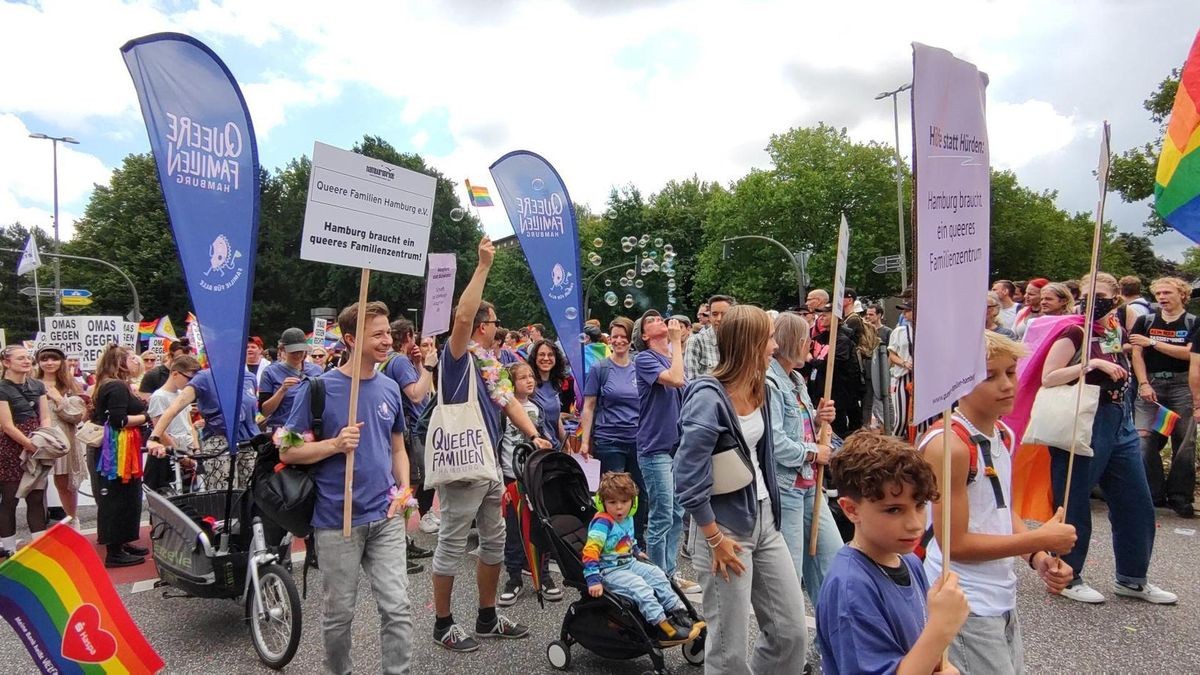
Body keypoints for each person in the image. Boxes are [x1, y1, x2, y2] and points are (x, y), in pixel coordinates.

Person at [920, 332, 1077, 674]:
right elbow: (953, 544)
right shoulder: (950, 444)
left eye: (1011, 371)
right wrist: (1041, 538)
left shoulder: (1003, 433)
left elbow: (1001, 508)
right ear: (958, 383)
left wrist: (1037, 557)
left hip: (1000, 598)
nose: (1007, 384)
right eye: (990, 376)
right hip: (963, 602)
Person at [277, 300, 414, 675]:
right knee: (339, 616)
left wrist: (404, 491)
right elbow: (288, 450)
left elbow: (398, 446)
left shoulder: (389, 387)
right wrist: (335, 445)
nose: (388, 340)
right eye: (379, 334)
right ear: (351, 339)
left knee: (398, 607)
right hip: (337, 521)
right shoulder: (318, 388)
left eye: (388, 333)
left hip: (385, 517)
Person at [675, 304, 808, 673]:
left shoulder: (760, 387)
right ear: (750, 343)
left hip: (766, 521)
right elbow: (685, 477)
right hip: (724, 529)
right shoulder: (707, 397)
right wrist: (714, 538)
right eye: (768, 337)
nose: (775, 344)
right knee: (728, 650)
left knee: (791, 633)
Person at [432, 236, 549, 653]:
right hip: (463, 465)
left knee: (495, 541)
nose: (498, 325)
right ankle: (443, 623)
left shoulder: (492, 364)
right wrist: (482, 266)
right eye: (494, 320)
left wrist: (535, 435)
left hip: (488, 464)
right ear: (484, 326)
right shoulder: (457, 355)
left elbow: (509, 401)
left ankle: (486, 617)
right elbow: (461, 318)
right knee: (449, 542)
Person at [1039, 272, 1176, 605]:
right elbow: (1049, 376)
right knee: (1073, 500)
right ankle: (1067, 573)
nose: (1091, 301)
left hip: (1119, 419)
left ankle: (1132, 577)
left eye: (1099, 294)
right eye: (1086, 294)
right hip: (1085, 418)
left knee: (1136, 501)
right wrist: (1089, 364)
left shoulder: (1115, 329)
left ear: (1116, 298)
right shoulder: (1074, 331)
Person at [817, 432, 969, 675]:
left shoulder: (910, 561)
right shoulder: (851, 588)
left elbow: (919, 650)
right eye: (894, 509)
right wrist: (941, 628)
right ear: (851, 509)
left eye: (919, 505)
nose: (915, 524)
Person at [767, 312, 841, 606]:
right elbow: (774, 443)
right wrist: (814, 452)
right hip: (787, 490)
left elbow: (804, 432)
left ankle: (829, 638)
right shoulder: (770, 382)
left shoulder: (796, 379)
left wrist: (821, 421)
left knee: (832, 559)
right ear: (794, 342)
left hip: (810, 484)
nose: (811, 344)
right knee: (790, 572)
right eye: (807, 339)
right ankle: (784, 642)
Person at [584, 471, 702, 644]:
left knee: (658, 575)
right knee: (640, 588)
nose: (619, 507)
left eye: (624, 502)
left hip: (629, 563)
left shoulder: (627, 517)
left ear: (633, 502)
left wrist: (637, 551)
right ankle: (662, 625)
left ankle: (678, 613)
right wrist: (593, 579)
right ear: (602, 503)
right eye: (612, 502)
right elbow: (590, 552)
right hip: (610, 571)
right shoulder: (602, 523)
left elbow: (628, 539)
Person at [635, 309, 698, 593]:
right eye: (651, 321)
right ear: (645, 336)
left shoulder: (672, 356)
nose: (659, 320)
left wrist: (677, 345)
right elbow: (674, 379)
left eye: (660, 317)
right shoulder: (645, 359)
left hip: (676, 448)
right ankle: (659, 579)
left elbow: (683, 382)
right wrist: (676, 342)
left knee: (676, 513)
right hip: (655, 448)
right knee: (662, 515)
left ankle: (670, 574)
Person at [1130, 277, 1197, 518]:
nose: (1162, 297)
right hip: (1151, 382)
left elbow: (1189, 354)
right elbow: (1137, 353)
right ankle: (1153, 491)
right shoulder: (1145, 320)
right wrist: (1144, 383)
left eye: (1167, 292)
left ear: (1182, 294)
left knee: (1184, 443)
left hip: (1182, 384)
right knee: (1143, 439)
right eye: (1158, 293)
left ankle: (1180, 496)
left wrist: (1153, 342)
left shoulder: (1192, 322)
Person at [579, 317, 646, 544]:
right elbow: (588, 406)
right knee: (613, 494)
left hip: (638, 439)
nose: (618, 341)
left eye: (623, 337)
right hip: (609, 439)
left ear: (630, 340)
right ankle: (610, 541)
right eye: (614, 336)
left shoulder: (639, 366)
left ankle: (636, 541)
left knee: (638, 494)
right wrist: (585, 441)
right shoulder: (600, 368)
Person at [496, 361, 556, 606]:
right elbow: (497, 443)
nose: (529, 381)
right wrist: (500, 481)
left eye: (531, 376)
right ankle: (513, 578)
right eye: (522, 378)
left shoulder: (538, 407)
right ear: (511, 383)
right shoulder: (501, 409)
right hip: (511, 477)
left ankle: (543, 575)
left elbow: (546, 435)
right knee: (513, 530)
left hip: (534, 477)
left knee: (540, 527)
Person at [88, 345, 150, 567]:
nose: (137, 362)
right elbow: (119, 420)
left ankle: (122, 541)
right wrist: (146, 417)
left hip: (123, 448)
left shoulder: (114, 384)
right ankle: (114, 550)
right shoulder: (115, 386)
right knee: (116, 497)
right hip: (115, 450)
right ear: (121, 362)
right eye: (132, 358)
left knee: (126, 496)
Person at [0, 346, 51, 558]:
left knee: (37, 497)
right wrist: (31, 446)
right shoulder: (2, 388)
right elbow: (7, 426)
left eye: (28, 357)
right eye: (20, 358)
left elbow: (45, 417)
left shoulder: (38, 385)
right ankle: (8, 547)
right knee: (10, 498)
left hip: (36, 443)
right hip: (10, 448)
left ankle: (41, 546)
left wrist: (45, 439)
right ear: (6, 363)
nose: (26, 361)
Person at [34, 346, 87, 523]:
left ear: (61, 361)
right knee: (36, 484)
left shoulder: (71, 384)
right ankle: (39, 525)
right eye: (44, 359)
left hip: (64, 436)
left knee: (65, 484)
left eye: (54, 359)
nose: (49, 363)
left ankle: (72, 520)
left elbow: (77, 417)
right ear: (38, 362)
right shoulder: (31, 383)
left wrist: (59, 399)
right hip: (38, 436)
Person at [143, 356, 201, 494]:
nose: (192, 384)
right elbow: (160, 430)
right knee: (173, 491)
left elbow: (189, 424)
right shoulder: (159, 396)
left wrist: (196, 448)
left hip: (187, 446)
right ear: (175, 374)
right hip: (170, 451)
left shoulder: (182, 394)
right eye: (189, 379)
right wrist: (179, 455)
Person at [259, 327, 325, 434]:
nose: (298, 355)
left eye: (301, 351)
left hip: (309, 430)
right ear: (282, 350)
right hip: (281, 431)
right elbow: (265, 412)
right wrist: (282, 390)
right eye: (293, 352)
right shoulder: (270, 372)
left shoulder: (316, 370)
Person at [527, 340, 568, 449]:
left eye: (550, 355)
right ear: (535, 358)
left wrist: (566, 443)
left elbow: (556, 416)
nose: (546, 358)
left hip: (555, 448)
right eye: (541, 354)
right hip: (537, 449)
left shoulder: (555, 384)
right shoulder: (529, 385)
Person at [684, 294, 733, 380]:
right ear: (709, 316)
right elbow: (691, 381)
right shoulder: (696, 341)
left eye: (724, 314)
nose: (719, 318)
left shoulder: (739, 341)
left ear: (733, 316)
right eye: (715, 314)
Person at [888, 303, 915, 439]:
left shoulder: (927, 330)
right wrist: (904, 363)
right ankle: (896, 443)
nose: (904, 314)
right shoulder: (899, 331)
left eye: (908, 310)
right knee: (901, 418)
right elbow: (891, 355)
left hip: (921, 378)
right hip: (904, 376)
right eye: (903, 311)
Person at [865, 304, 893, 431]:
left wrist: (886, 371)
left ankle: (888, 426)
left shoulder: (887, 332)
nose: (868, 317)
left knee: (885, 399)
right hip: (871, 372)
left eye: (871, 314)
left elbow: (890, 353)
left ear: (879, 315)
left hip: (884, 372)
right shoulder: (867, 330)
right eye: (867, 314)